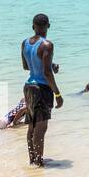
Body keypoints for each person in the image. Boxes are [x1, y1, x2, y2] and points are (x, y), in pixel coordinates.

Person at [21, 13, 63, 167]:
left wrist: (51, 65)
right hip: (42, 89)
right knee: (41, 127)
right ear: (48, 26)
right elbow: (46, 73)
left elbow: (26, 66)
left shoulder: (25, 43)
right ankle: (38, 161)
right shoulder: (47, 45)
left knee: (32, 125)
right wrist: (57, 93)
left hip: (28, 87)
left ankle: (33, 159)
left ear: (33, 26)